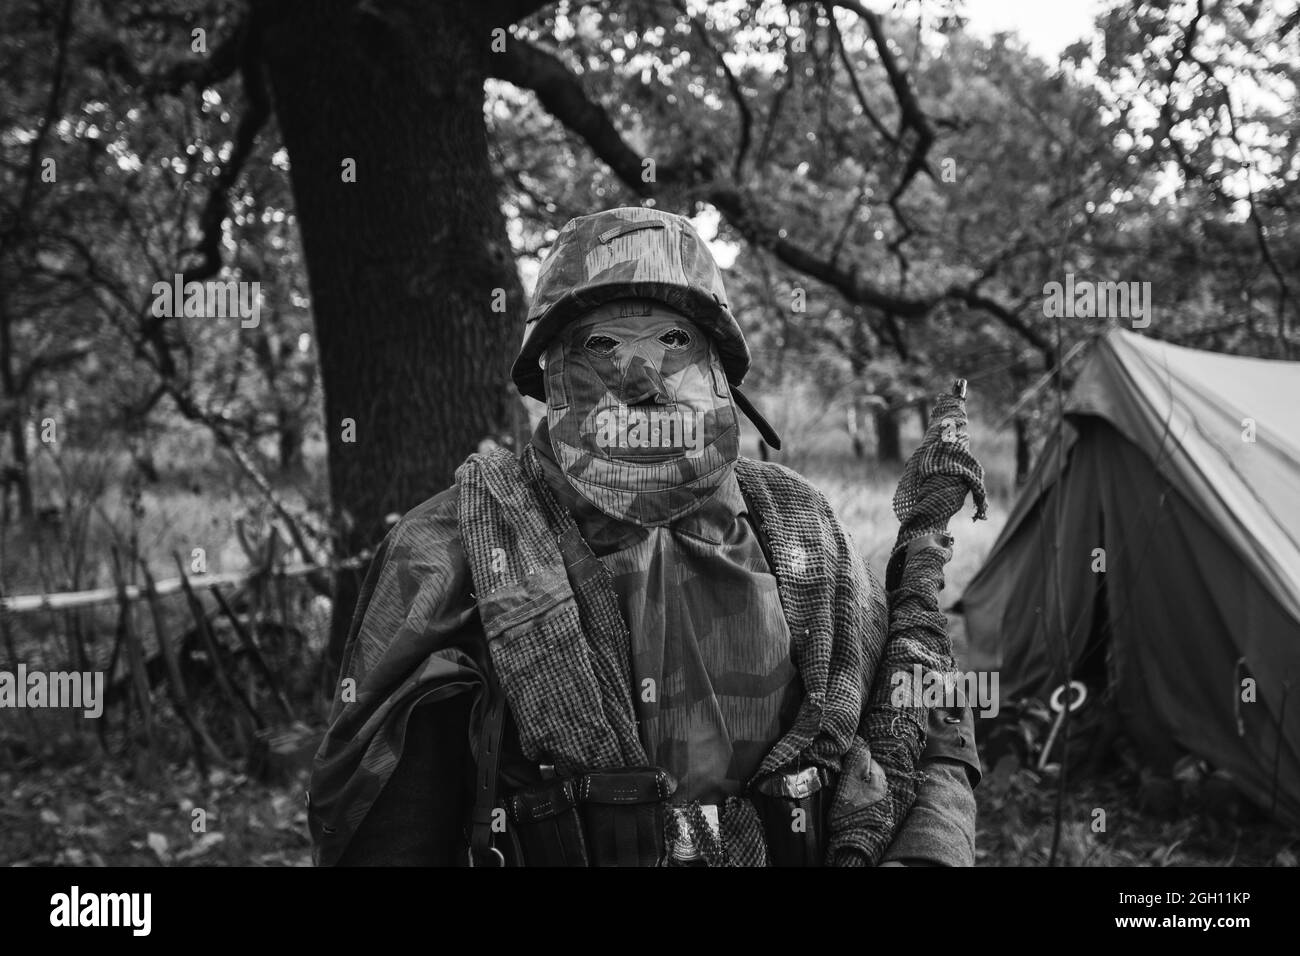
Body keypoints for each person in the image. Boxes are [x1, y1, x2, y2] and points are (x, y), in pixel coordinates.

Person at [307, 206, 985, 867]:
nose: (644, 380)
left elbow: (918, 723)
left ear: (720, 365)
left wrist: (924, 854)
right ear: (548, 372)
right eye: (603, 346)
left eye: (674, 342)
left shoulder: (802, 525)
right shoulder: (457, 545)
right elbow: (387, 831)